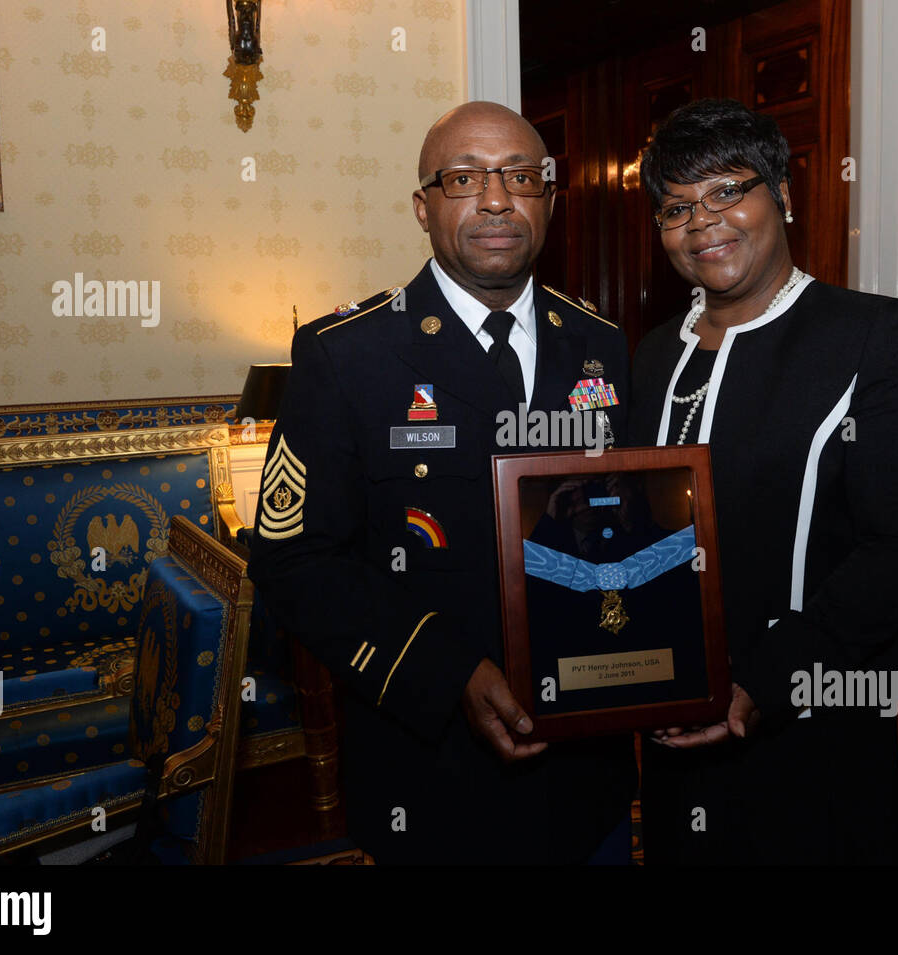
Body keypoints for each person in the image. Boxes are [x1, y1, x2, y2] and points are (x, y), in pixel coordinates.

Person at [246, 101, 636, 864]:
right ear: (423, 207)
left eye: (521, 177)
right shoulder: (346, 354)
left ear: (549, 201)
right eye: (465, 179)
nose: (497, 199)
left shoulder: (601, 343)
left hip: (586, 762)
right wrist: (445, 668)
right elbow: (294, 561)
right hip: (427, 764)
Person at [629, 98, 898, 864]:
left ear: (783, 196)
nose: (702, 220)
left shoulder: (871, 334)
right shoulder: (647, 357)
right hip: (674, 708)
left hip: (814, 708)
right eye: (676, 206)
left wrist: (763, 680)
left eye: (726, 191)